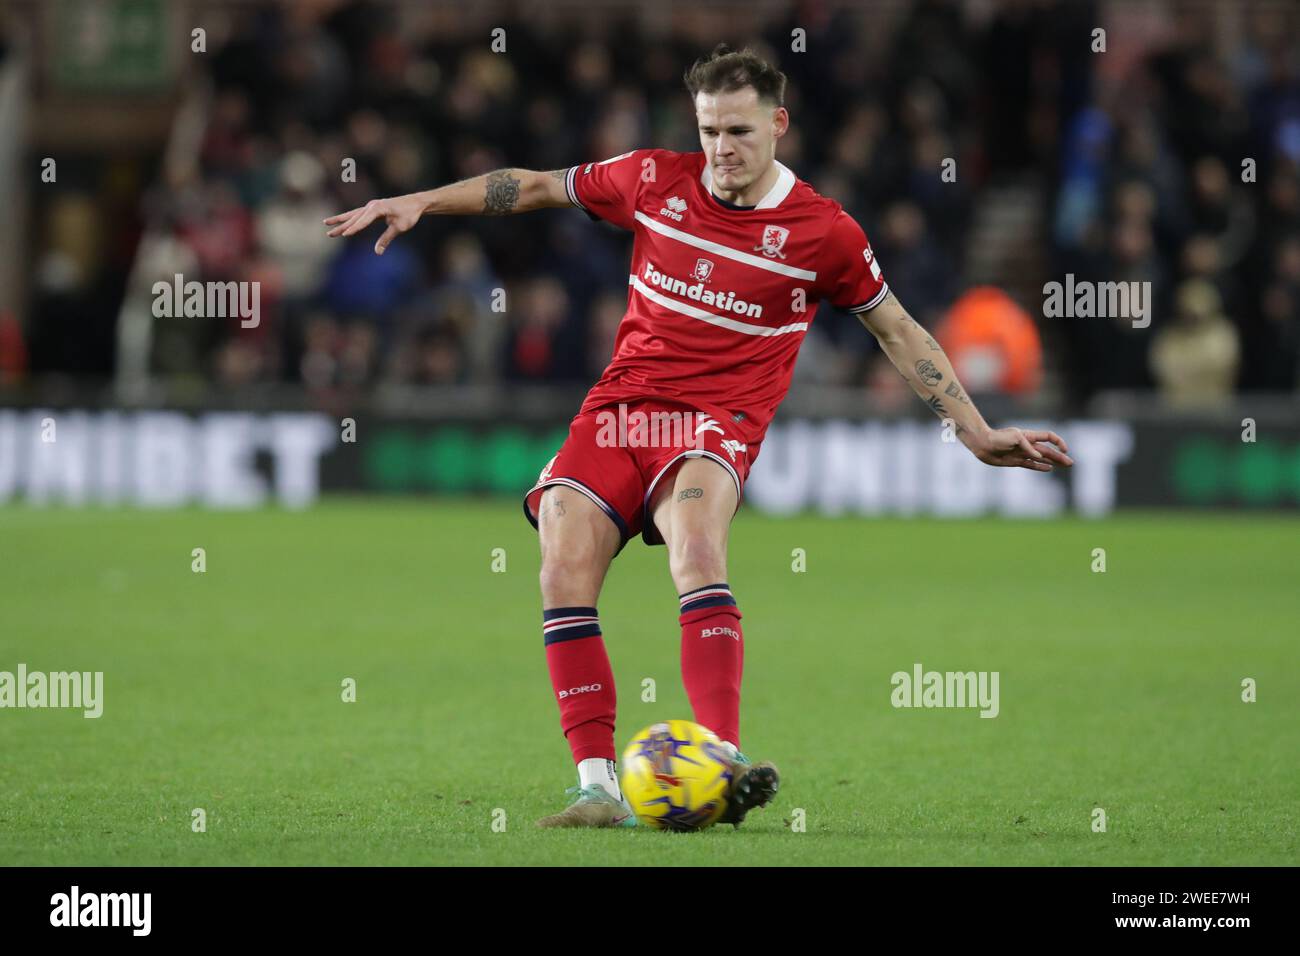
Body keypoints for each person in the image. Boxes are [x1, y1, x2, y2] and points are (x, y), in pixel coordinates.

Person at [325, 45, 1073, 829]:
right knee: (562, 554)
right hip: (621, 411)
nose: (721, 149)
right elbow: (540, 185)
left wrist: (976, 430)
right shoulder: (653, 180)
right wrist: (421, 200)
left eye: (740, 131)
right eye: (710, 129)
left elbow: (897, 329)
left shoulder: (824, 233)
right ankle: (596, 787)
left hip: (714, 424)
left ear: (779, 125)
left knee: (696, 546)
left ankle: (721, 763)